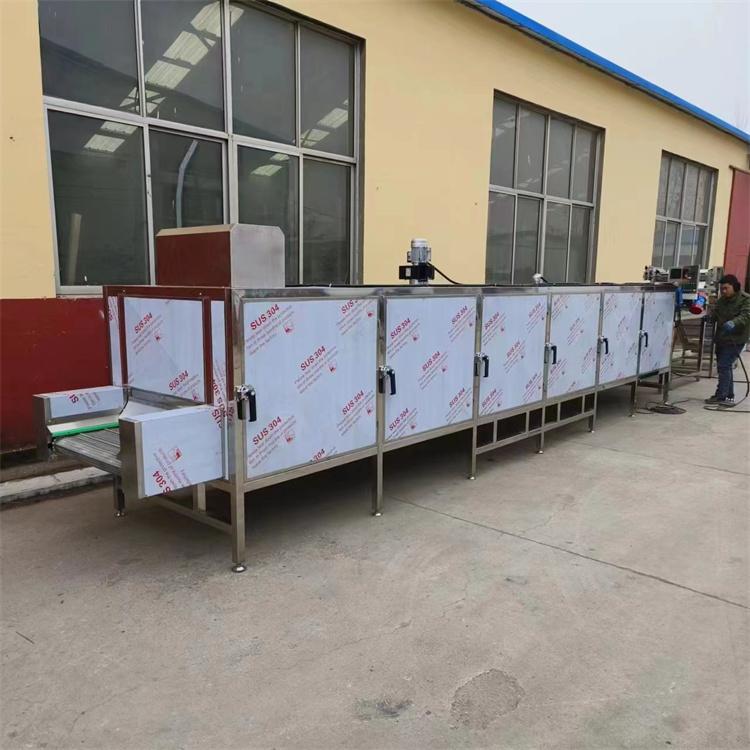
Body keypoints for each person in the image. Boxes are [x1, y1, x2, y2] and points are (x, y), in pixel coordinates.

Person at [705, 274, 750, 406]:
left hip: (736, 339)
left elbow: (746, 315)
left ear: (734, 287)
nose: (723, 291)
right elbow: (716, 313)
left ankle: (721, 396)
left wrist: (734, 323)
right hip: (722, 338)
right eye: (722, 289)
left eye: (726, 288)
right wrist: (709, 318)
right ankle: (729, 395)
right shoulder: (722, 300)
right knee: (725, 366)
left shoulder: (745, 300)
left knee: (724, 365)